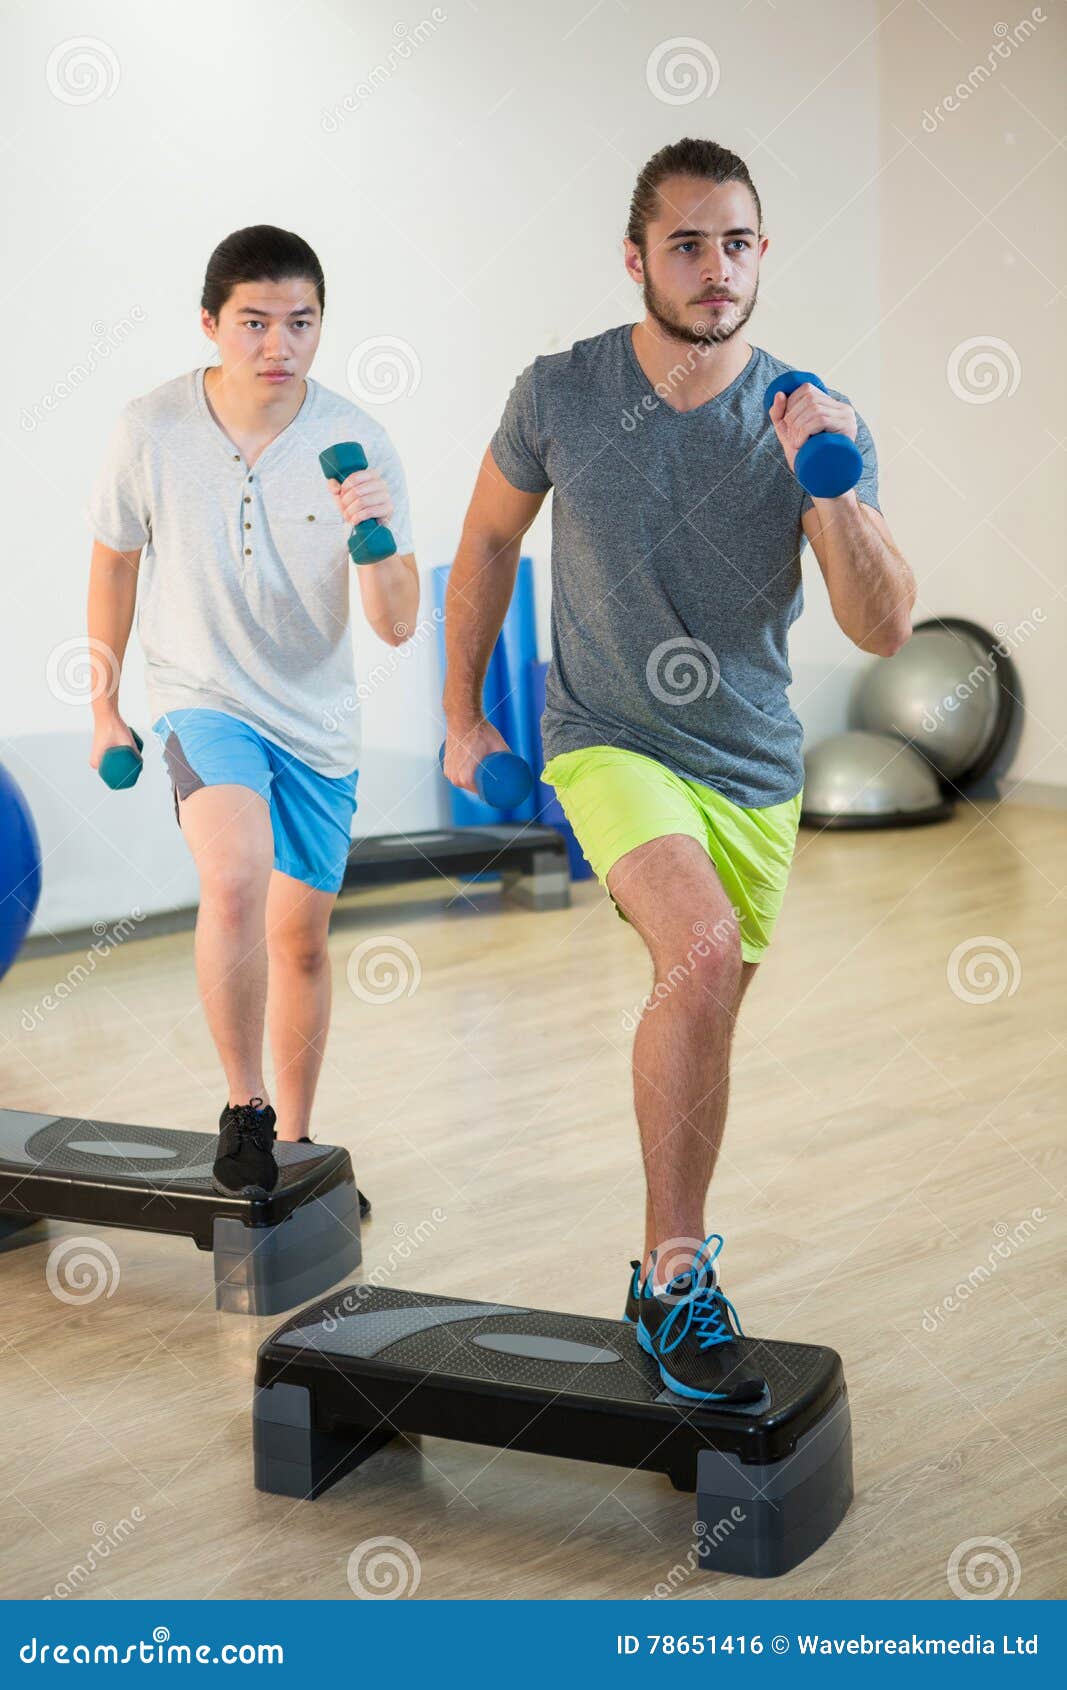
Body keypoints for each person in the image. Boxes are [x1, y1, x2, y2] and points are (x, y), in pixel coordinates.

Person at [442, 139, 915, 1403]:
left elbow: (879, 629)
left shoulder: (811, 414)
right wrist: (460, 718)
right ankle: (670, 1275)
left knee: (704, 1016)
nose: (716, 270)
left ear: (762, 253)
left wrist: (839, 485)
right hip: (606, 737)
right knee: (697, 955)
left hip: (755, 765)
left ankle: (672, 1260)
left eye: (738, 242)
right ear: (636, 257)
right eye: (689, 244)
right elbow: (487, 540)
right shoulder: (561, 391)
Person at [86, 225, 418, 1201]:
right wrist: (104, 703)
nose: (279, 344)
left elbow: (396, 624)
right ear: (210, 323)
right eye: (255, 322)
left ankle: (301, 1147)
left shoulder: (356, 443)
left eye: (301, 323)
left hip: (316, 723)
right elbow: (113, 560)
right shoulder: (151, 428)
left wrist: (375, 532)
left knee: (300, 937)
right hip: (203, 698)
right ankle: (245, 1109)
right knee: (233, 879)